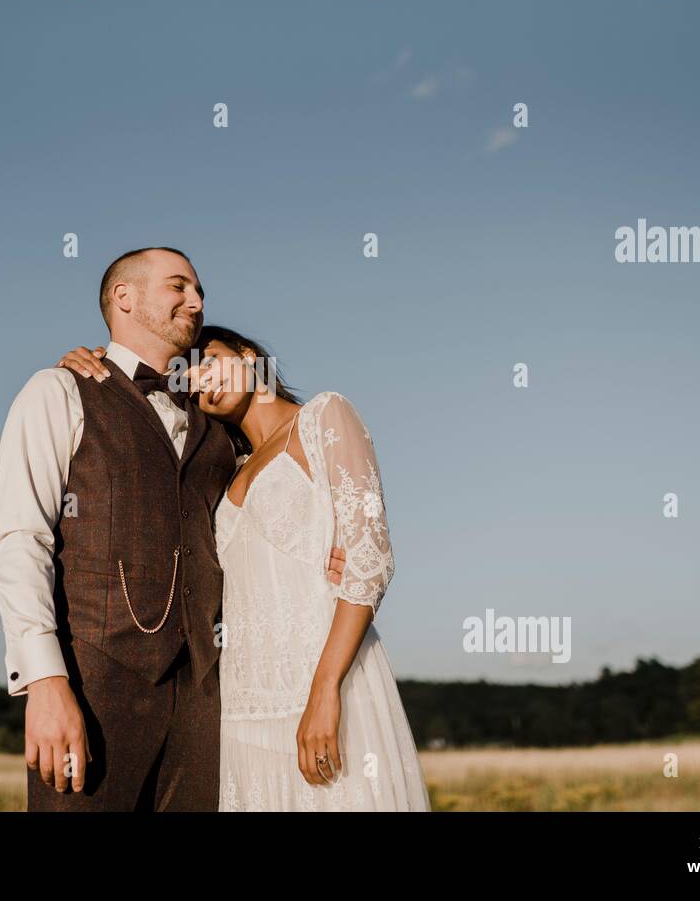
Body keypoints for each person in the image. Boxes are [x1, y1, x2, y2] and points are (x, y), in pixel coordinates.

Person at [0, 246, 347, 810]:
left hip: (210, 702)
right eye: (178, 286)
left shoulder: (221, 424)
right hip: (93, 688)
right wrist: (44, 683)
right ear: (122, 298)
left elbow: (277, 512)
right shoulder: (57, 392)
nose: (197, 302)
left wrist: (333, 552)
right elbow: (20, 540)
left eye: (200, 291)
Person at [56, 325, 430, 810]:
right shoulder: (227, 464)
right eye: (191, 384)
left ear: (248, 355)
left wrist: (324, 693)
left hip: (321, 683)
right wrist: (99, 367)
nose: (203, 384)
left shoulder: (324, 417)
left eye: (208, 362)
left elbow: (369, 561)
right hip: (241, 704)